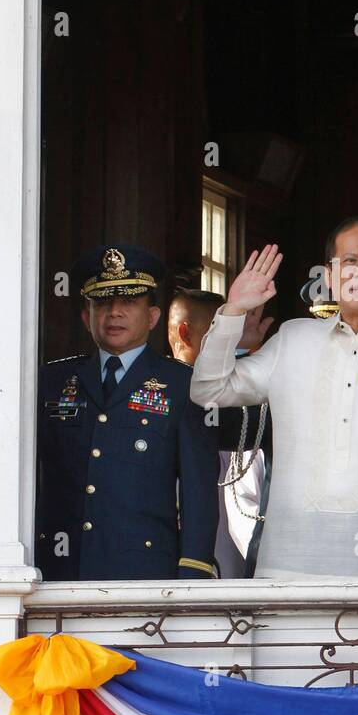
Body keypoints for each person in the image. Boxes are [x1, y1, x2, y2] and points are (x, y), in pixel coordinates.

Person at [190, 218, 358, 579]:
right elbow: (208, 389)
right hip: (289, 565)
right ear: (330, 276)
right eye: (350, 261)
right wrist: (233, 311)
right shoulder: (293, 339)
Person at [35, 244, 219, 582]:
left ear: (152, 317)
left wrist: (193, 570)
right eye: (102, 303)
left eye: (129, 302)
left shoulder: (181, 386)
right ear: (85, 317)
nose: (114, 313)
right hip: (60, 571)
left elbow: (199, 489)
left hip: (145, 576)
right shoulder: (51, 382)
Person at [168, 287, 270, 578]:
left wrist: (241, 353)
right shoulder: (163, 394)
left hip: (232, 562)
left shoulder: (243, 401)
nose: (226, 339)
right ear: (186, 333)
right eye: (219, 330)